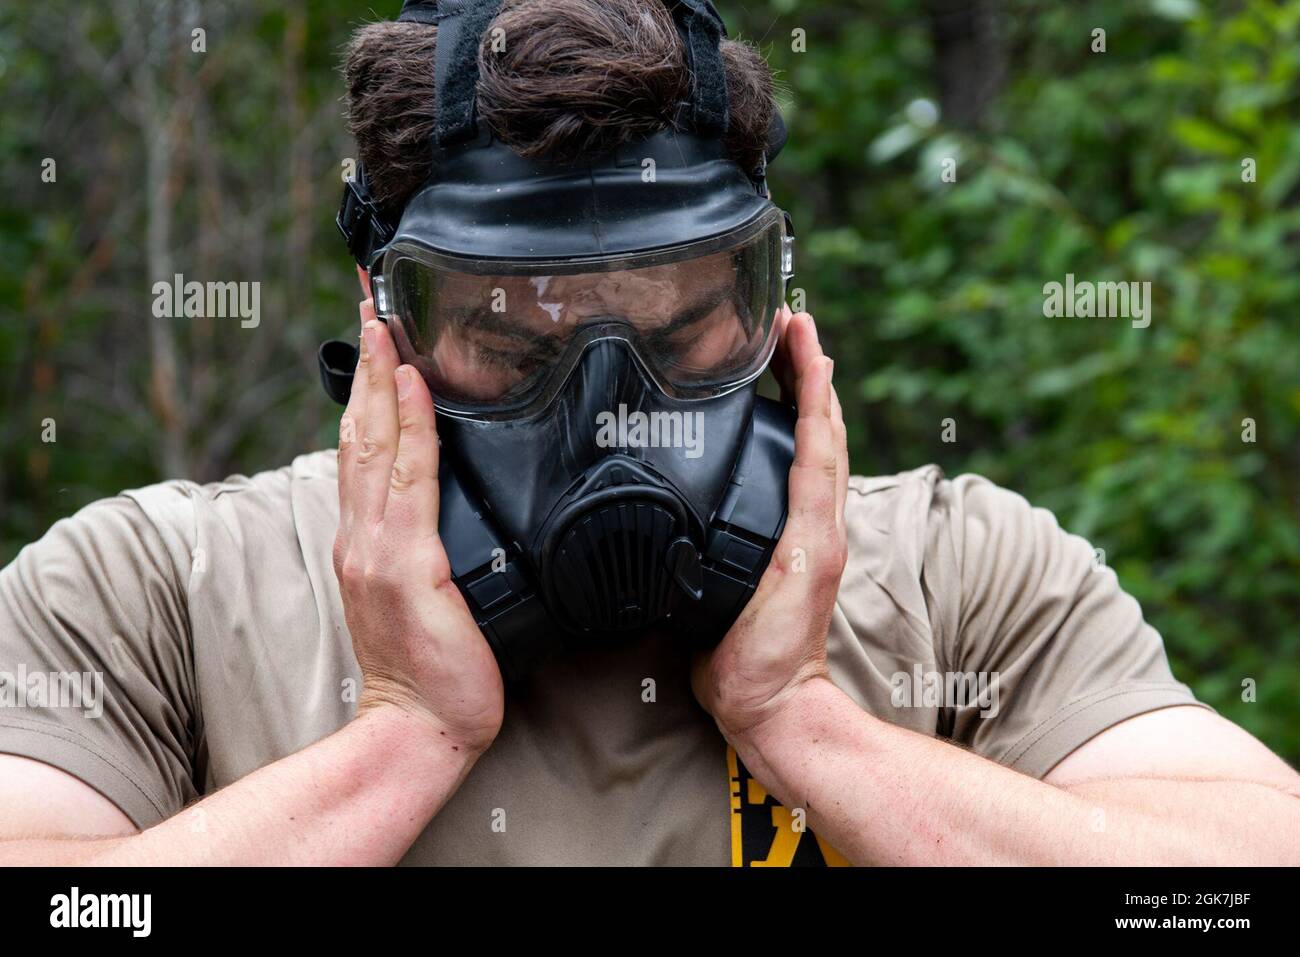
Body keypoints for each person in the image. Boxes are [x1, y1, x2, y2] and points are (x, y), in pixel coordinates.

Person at [1, 0, 1296, 867]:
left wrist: (811, 724)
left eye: (684, 337)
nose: (610, 411)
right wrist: (402, 738)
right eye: (514, 343)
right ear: (381, 318)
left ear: (775, 310)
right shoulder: (155, 590)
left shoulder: (961, 575)